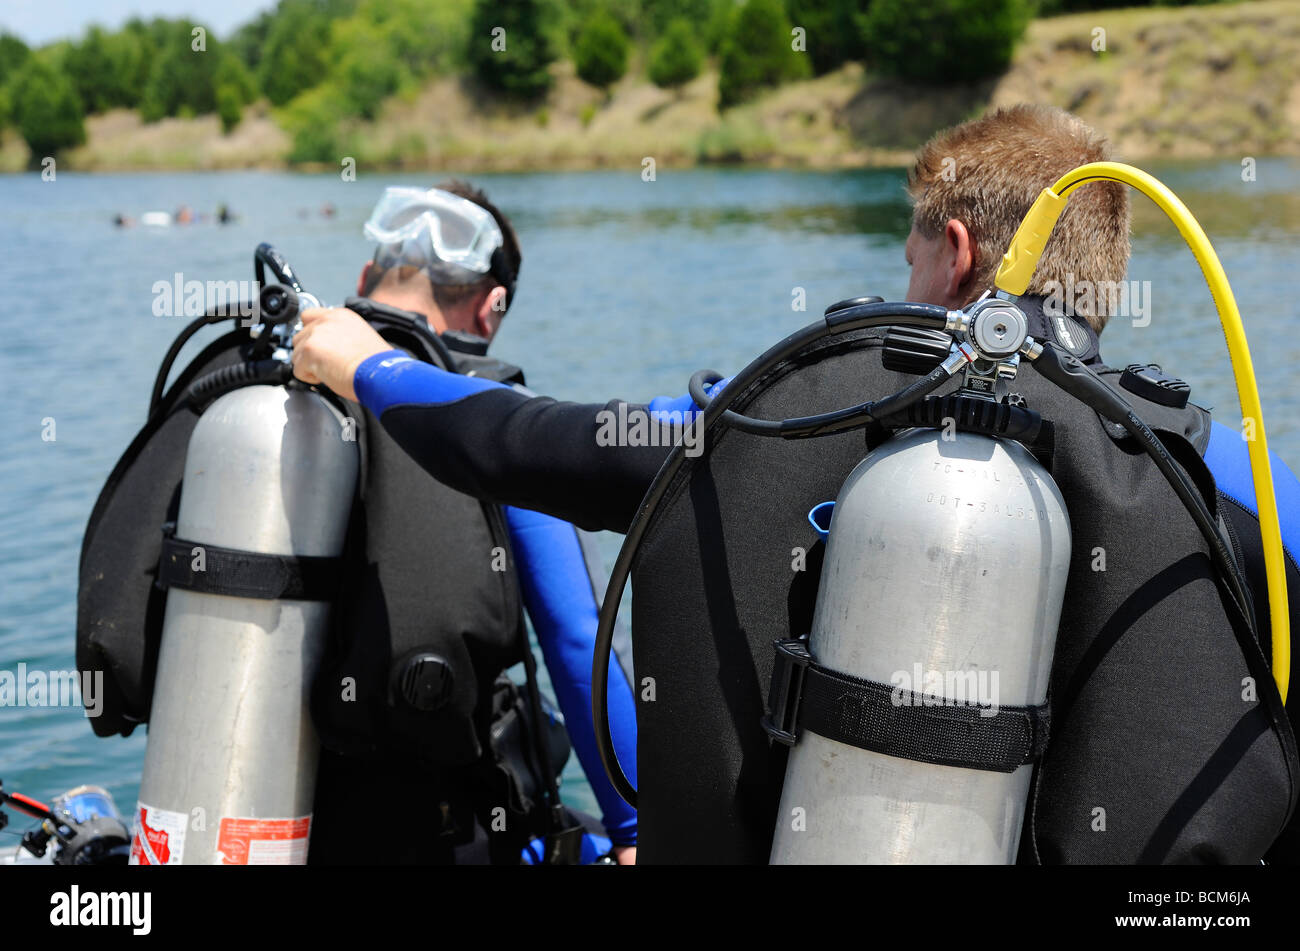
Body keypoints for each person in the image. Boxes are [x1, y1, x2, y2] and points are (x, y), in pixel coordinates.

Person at [291, 106, 1300, 863]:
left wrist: (361, 362)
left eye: (908, 247)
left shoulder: (767, 411)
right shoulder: (1232, 477)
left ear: (952, 254)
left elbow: (511, 439)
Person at [306, 181, 639, 865]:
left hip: (264, 809)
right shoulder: (492, 415)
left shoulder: (267, 390)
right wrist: (637, 831)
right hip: (438, 833)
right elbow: (580, 642)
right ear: (492, 308)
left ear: (364, 280)